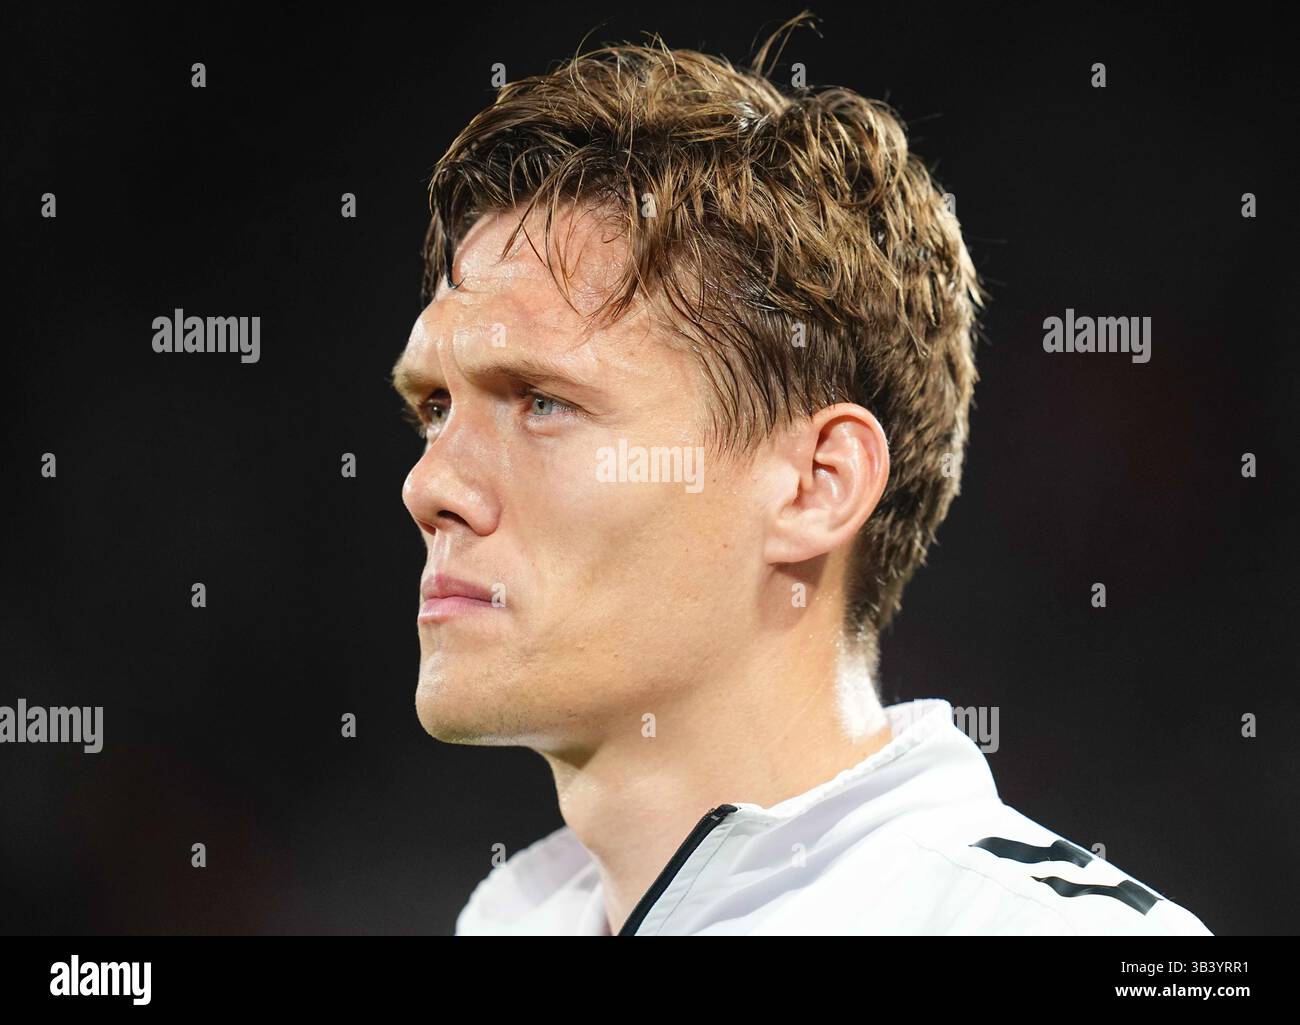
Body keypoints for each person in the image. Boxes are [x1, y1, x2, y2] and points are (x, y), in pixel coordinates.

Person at [390, 13, 1212, 935]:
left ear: (816, 484)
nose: (431, 486)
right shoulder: (505, 920)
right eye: (434, 408)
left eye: (542, 401)